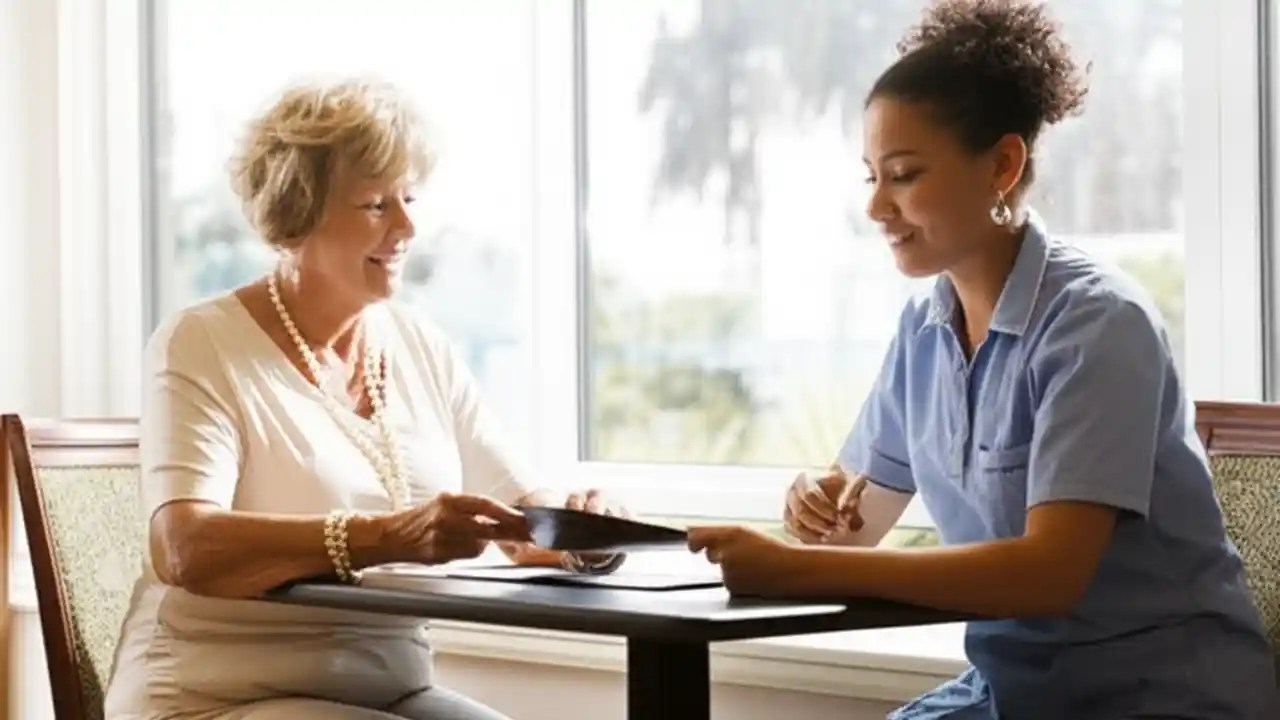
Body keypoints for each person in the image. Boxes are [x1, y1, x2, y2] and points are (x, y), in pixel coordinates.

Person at [687, 1, 1278, 718]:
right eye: (870, 175)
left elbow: (1048, 575)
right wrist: (815, 509)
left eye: (903, 175)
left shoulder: (1097, 325)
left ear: (1002, 164)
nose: (877, 207)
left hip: (1159, 698)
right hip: (1013, 694)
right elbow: (858, 524)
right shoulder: (923, 328)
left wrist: (795, 566)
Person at [104, 78, 624, 720]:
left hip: (390, 688)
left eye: (409, 198)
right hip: (216, 695)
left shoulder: (419, 346)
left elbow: (516, 517)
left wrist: (580, 531)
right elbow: (185, 546)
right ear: (299, 215)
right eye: (376, 205)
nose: (408, 226)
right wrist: (388, 536)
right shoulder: (201, 342)